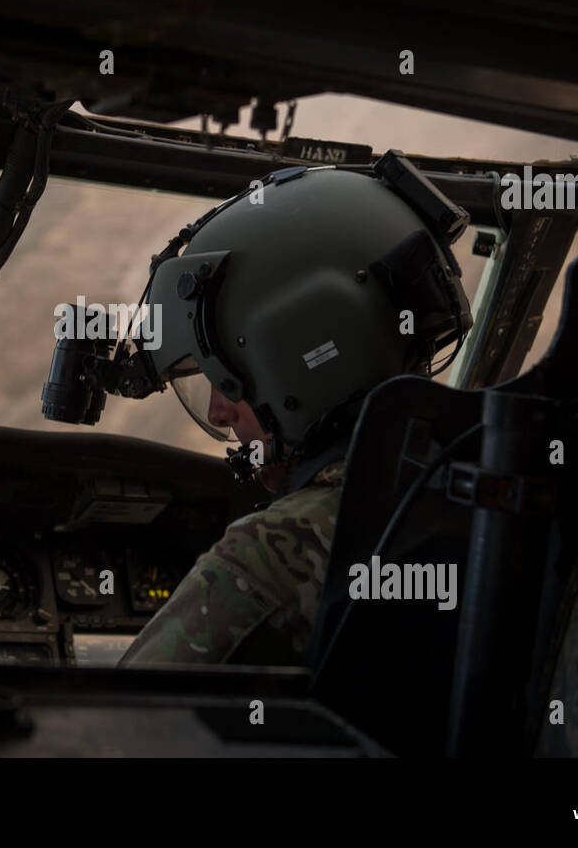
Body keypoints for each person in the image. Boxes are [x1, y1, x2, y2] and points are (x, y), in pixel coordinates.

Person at [118, 161, 472, 667]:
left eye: (222, 377)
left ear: (292, 349)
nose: (219, 412)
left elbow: (114, 739)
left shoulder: (277, 554)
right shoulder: (493, 474)